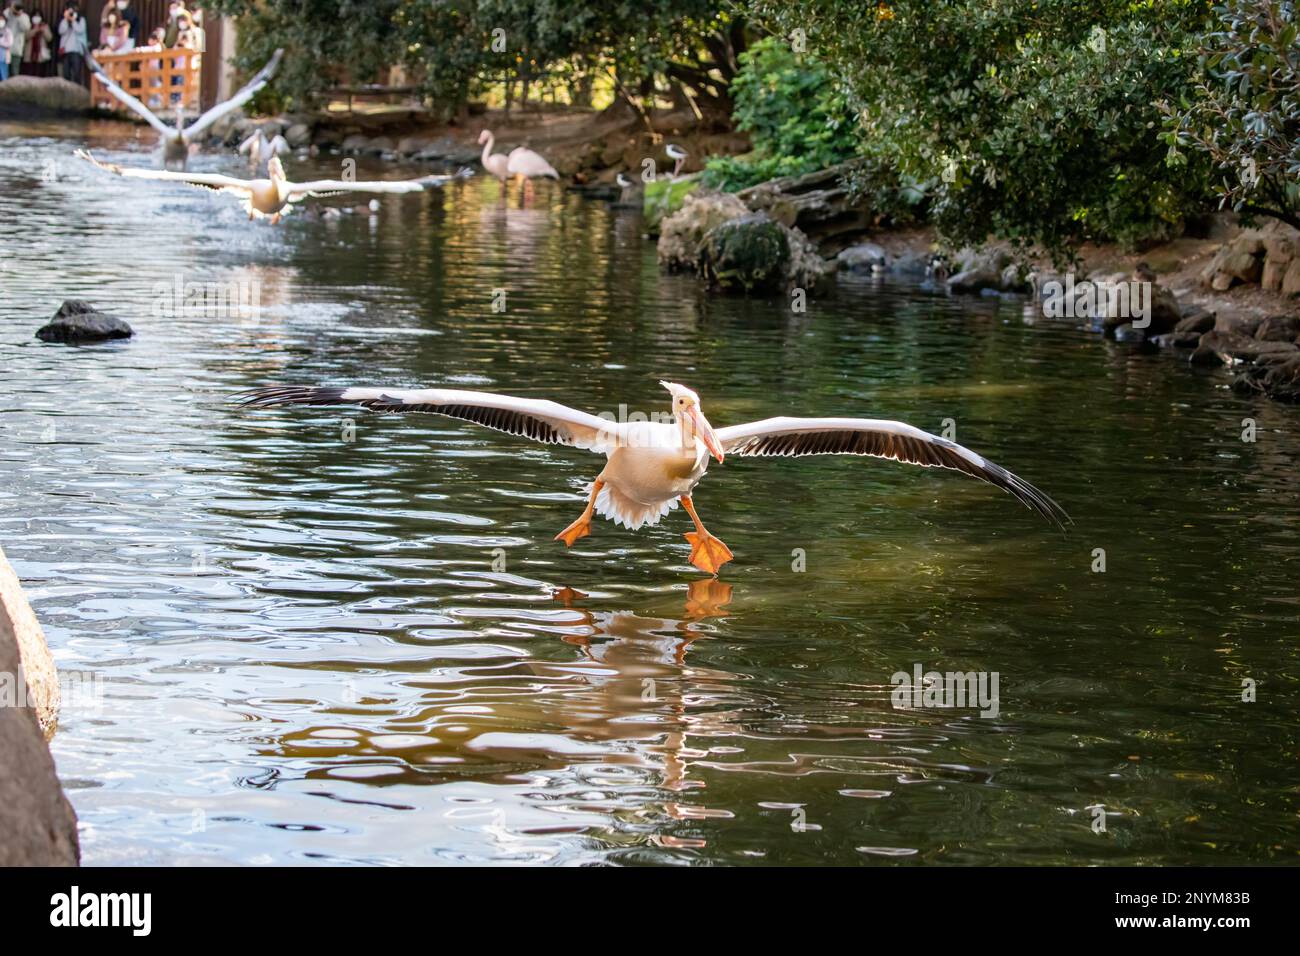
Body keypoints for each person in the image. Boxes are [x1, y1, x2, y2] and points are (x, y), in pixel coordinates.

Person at [57, 2, 87, 86]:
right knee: (66, 74)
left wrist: (73, 21)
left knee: (76, 73)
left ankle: (77, 92)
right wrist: (66, 19)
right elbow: (61, 31)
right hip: (66, 51)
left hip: (76, 50)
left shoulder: (81, 20)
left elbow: (80, 30)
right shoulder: (64, 21)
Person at [21, 8, 51, 76]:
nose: (36, 18)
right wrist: (35, 30)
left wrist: (44, 30)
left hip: (40, 56)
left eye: (38, 16)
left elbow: (49, 38)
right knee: (29, 74)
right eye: (35, 16)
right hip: (29, 55)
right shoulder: (28, 25)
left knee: (40, 74)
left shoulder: (44, 26)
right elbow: (25, 36)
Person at [4, 2, 29, 78]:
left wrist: (19, 16)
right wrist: (11, 10)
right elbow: (4, 14)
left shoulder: (24, 17)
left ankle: (14, 89)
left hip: (16, 48)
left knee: (15, 71)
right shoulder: (8, 13)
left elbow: (25, 28)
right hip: (5, 48)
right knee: (5, 70)